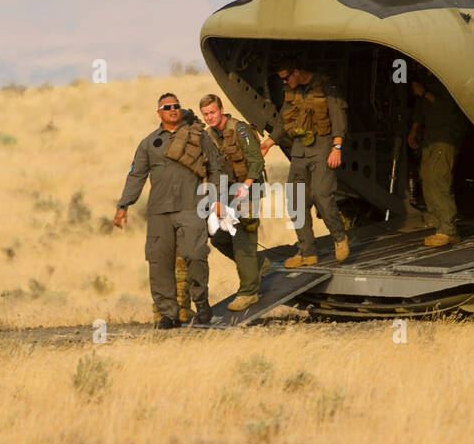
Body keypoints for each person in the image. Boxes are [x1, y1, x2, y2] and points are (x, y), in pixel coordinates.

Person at [115, 93, 229, 328]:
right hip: (159, 211)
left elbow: (216, 168)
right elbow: (136, 175)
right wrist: (124, 205)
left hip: (191, 207)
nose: (173, 110)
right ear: (159, 113)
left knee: (195, 254)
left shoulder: (198, 136)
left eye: (176, 106)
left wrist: (217, 199)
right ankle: (168, 315)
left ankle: (202, 304)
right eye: (167, 107)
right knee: (159, 261)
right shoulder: (149, 142)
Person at [261, 57, 349, 267]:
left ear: (297, 72)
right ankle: (307, 252)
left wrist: (337, 147)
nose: (284, 83)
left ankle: (339, 238)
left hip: (323, 146)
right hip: (300, 149)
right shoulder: (292, 92)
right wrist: (269, 142)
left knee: (321, 194)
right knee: (296, 201)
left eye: (285, 79)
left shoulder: (326, 86)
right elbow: (283, 121)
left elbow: (338, 117)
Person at [199, 94, 266, 313]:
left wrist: (246, 186)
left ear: (221, 109)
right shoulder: (208, 136)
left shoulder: (240, 129)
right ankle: (257, 264)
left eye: (213, 112)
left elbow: (256, 160)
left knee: (242, 239)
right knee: (218, 237)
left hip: (248, 188)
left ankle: (249, 292)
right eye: (206, 114)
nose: (210, 117)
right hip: (225, 192)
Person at [407, 74, 469, 247]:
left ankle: (448, 229)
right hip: (430, 137)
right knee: (427, 180)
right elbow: (421, 108)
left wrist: (425, 92)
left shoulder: (449, 78)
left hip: (445, 137)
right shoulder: (428, 79)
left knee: (438, 179)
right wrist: (414, 130)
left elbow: (450, 108)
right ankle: (440, 227)